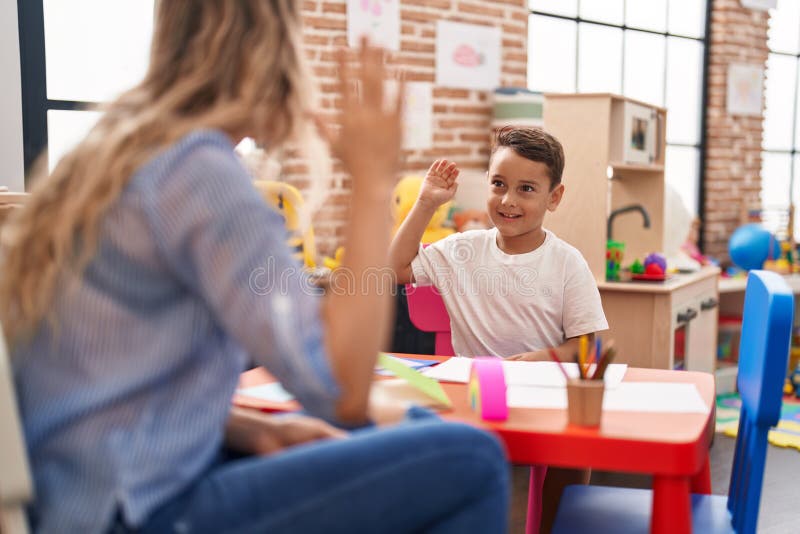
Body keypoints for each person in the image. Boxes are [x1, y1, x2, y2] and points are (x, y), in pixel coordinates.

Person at [0, 2, 509, 533]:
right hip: (135, 511)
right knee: (472, 461)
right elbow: (343, 391)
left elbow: (110, 383)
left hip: (84, 492)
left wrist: (253, 430)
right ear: (271, 56)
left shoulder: (121, 152)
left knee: (413, 424)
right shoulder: (200, 174)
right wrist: (373, 181)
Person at [388, 126, 608, 532]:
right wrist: (426, 203)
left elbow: (587, 349)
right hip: (474, 402)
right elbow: (395, 269)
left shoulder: (567, 262)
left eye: (526, 189)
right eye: (499, 184)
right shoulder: (461, 249)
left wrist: (540, 358)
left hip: (543, 400)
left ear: (554, 197)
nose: (508, 200)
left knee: (572, 451)